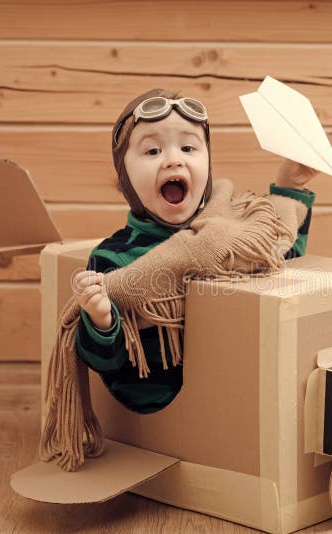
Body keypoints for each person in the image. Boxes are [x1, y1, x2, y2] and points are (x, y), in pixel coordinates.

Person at [71, 88, 318, 414]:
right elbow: (104, 362)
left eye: (188, 147)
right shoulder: (114, 258)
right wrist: (101, 319)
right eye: (153, 150)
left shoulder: (230, 235)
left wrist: (291, 188)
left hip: (233, 399)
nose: (174, 159)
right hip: (158, 408)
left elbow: (279, 258)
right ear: (126, 178)